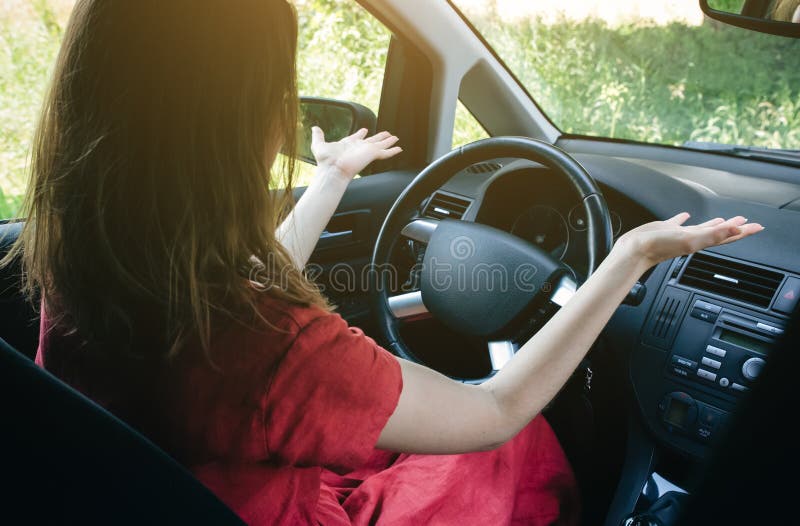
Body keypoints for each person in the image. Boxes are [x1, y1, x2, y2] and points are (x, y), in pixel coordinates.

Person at [3, 1, 763, 524]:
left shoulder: (82, 263)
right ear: (245, 122)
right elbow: (496, 412)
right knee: (520, 452)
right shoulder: (279, 351)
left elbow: (240, 293)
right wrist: (628, 257)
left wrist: (331, 176)